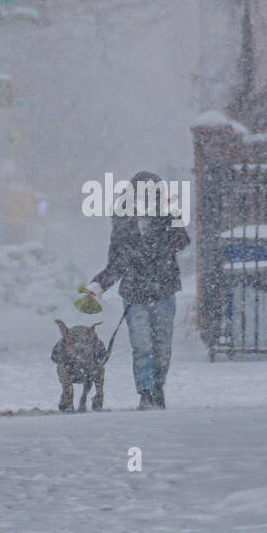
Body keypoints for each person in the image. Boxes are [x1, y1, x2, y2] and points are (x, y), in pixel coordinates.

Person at [87, 171, 190, 410]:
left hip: (164, 291)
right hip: (135, 295)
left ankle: (157, 388)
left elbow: (182, 242)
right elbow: (115, 263)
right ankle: (145, 391)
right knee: (142, 345)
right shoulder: (122, 225)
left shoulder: (168, 217)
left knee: (162, 346)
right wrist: (98, 285)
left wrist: (169, 220)